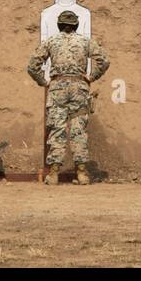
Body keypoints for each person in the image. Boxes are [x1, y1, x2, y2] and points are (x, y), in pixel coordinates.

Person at [27, 10, 110, 185]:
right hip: (80, 87)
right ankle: (82, 174)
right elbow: (104, 60)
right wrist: (92, 76)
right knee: (78, 130)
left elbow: (32, 65)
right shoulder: (85, 41)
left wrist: (44, 81)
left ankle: (54, 174)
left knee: (57, 129)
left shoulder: (50, 42)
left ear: (59, 25)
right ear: (76, 25)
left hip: (58, 88)